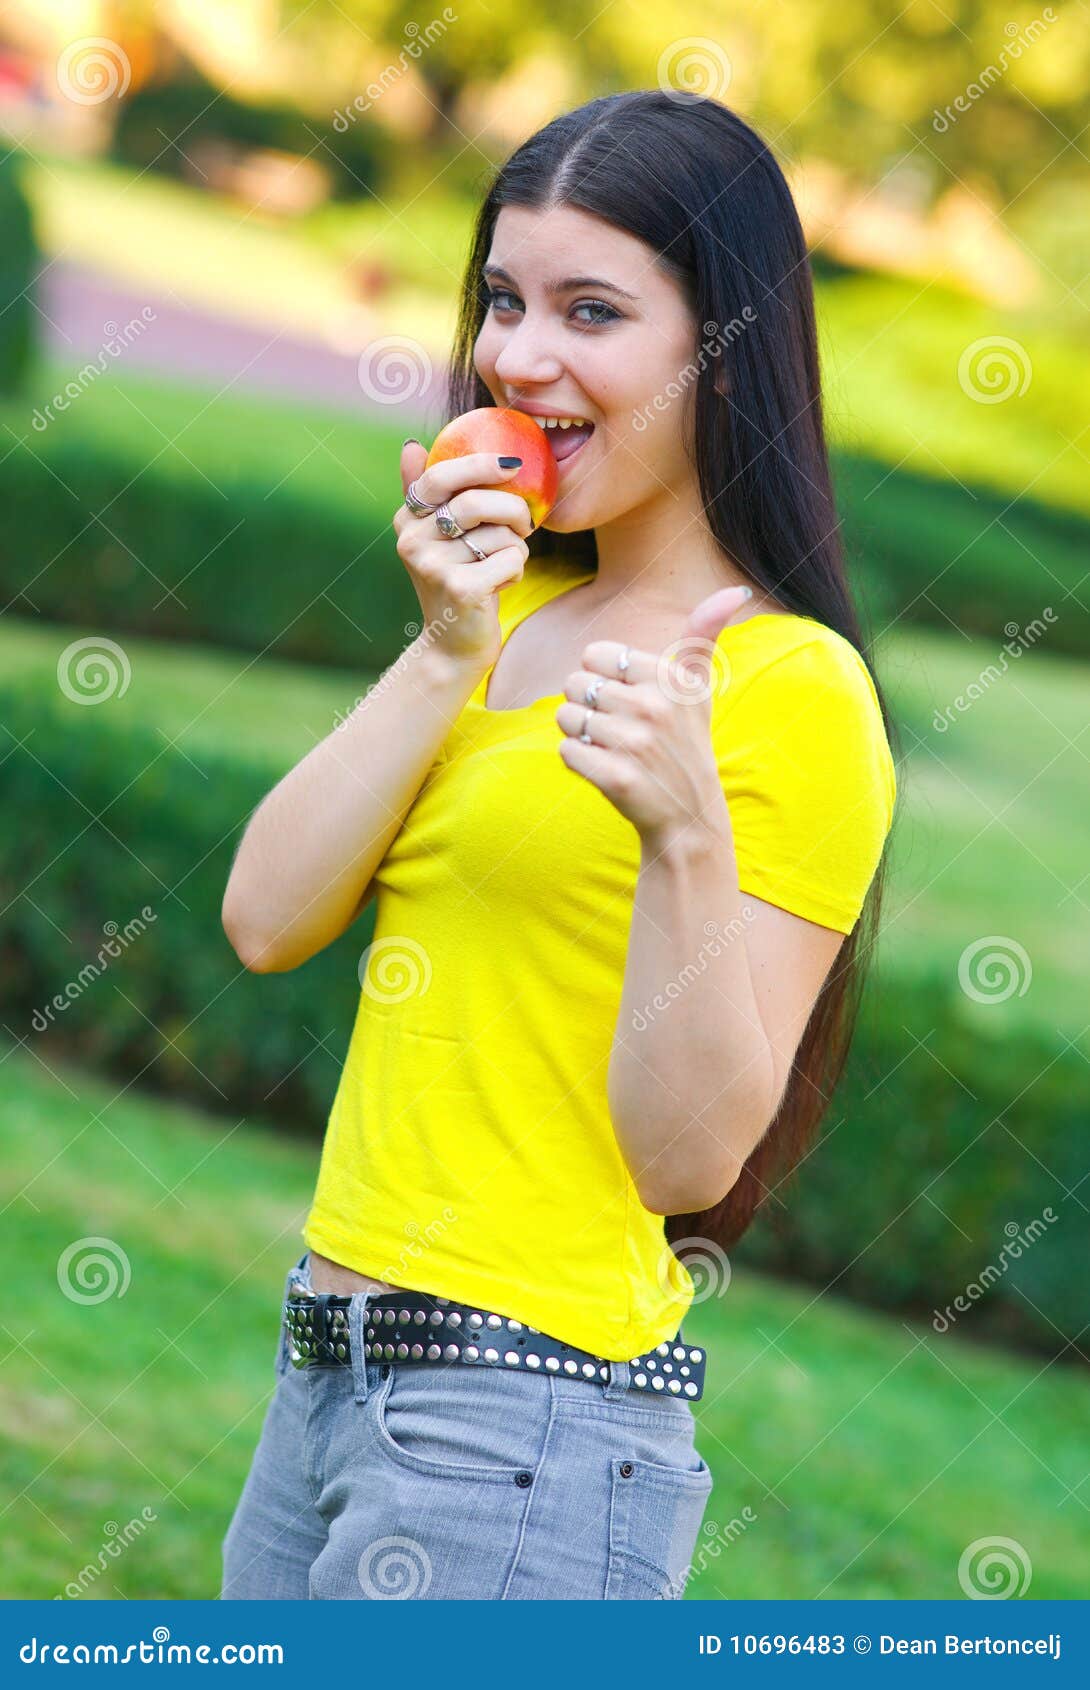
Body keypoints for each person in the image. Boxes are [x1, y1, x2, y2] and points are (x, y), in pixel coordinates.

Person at [219, 88, 899, 1601]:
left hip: (524, 1423)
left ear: (721, 346)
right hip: (323, 1376)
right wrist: (443, 650)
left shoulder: (788, 693)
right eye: (504, 298)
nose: (518, 357)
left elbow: (686, 1151)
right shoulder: (504, 615)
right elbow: (264, 915)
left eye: (592, 309)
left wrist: (683, 833)